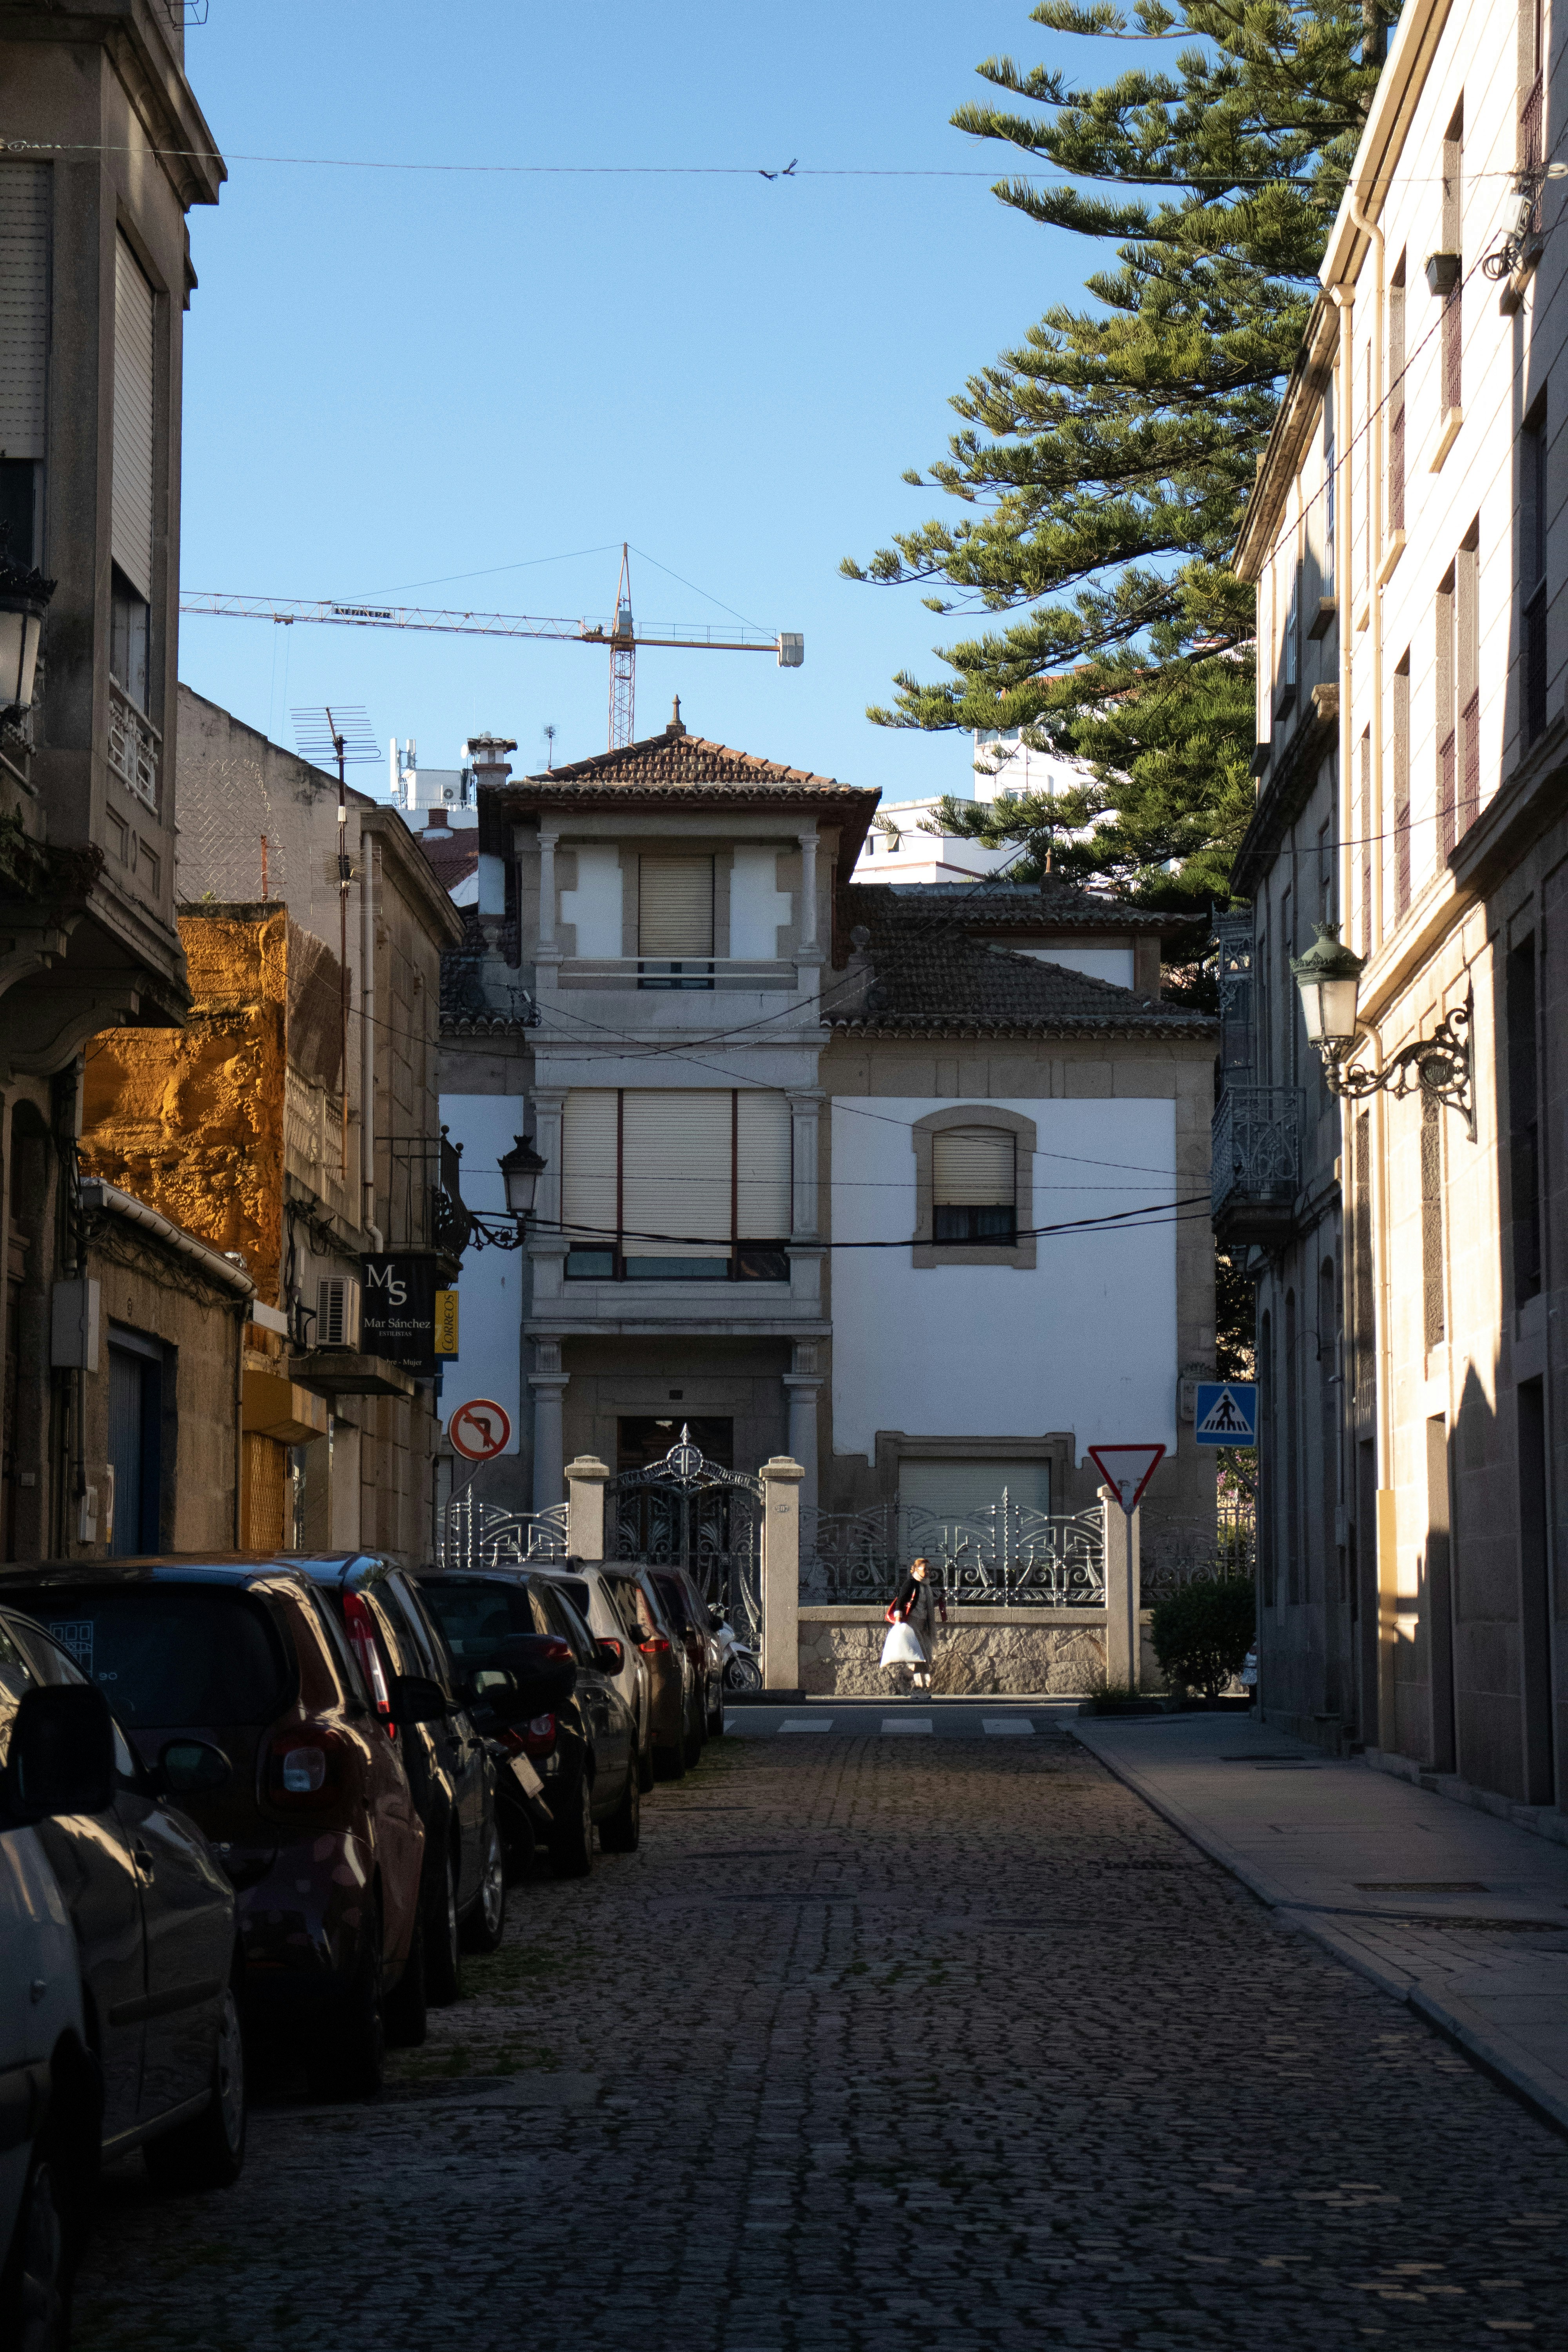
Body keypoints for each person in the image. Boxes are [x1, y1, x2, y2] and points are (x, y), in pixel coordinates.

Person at [885, 1557, 947, 1693]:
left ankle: (905, 1678)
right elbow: (900, 1601)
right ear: (916, 1569)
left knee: (926, 1658)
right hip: (912, 1625)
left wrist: (938, 1602)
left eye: (929, 1569)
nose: (928, 1572)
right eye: (925, 1569)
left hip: (923, 1626)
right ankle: (919, 1688)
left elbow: (924, 1605)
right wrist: (898, 1620)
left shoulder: (926, 1586)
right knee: (920, 1658)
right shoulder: (911, 1584)